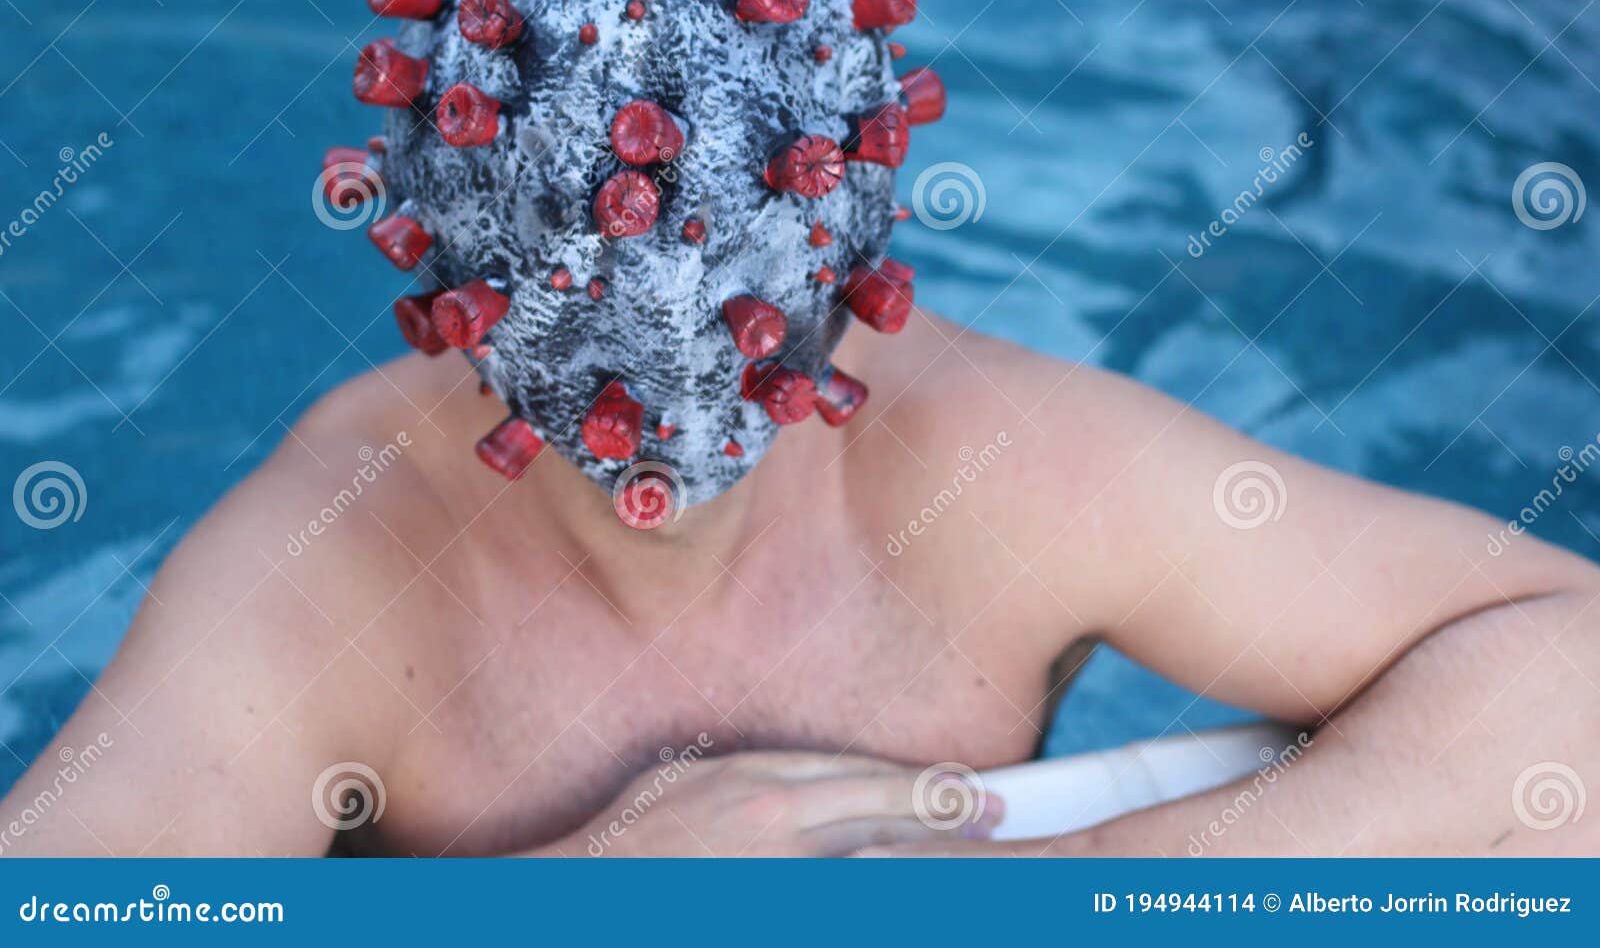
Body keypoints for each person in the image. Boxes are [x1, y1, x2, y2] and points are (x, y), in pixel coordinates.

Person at [3, 306, 1596, 856]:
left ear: (851, 242)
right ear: (461, 287)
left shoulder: (987, 454)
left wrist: (1083, 883)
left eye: (731, 261)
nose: (677, 336)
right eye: (603, 272)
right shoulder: (335, 553)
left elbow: (1571, 659)